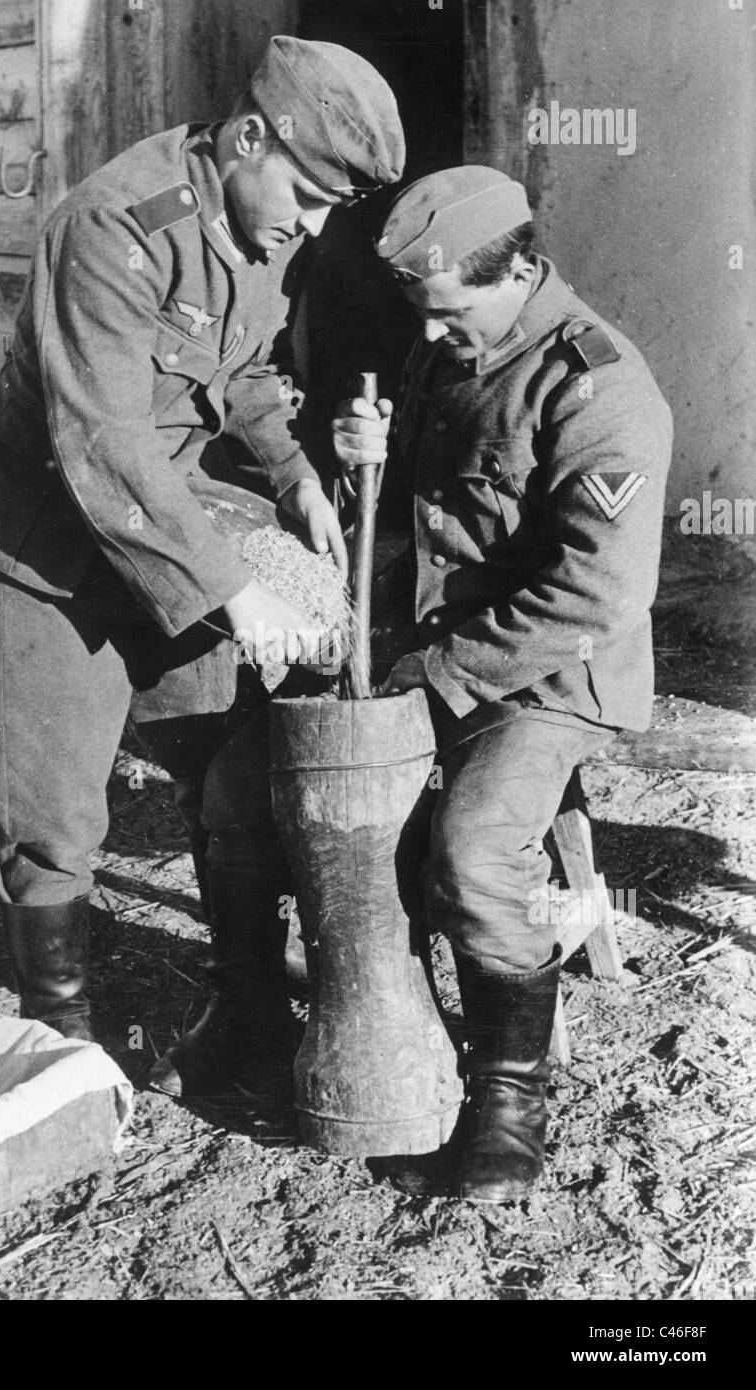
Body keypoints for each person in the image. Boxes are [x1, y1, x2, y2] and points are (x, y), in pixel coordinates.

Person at [0, 36, 405, 1096]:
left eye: (335, 206)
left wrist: (292, 477)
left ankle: (244, 1006)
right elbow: (101, 436)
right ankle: (60, 1051)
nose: (316, 225)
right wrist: (234, 584)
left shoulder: (264, 218)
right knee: (51, 812)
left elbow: (239, 371)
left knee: (226, 766)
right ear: (248, 137)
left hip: (173, 527)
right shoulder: (109, 228)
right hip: (49, 545)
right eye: (310, 193)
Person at [332, 167, 672, 1202]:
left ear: (520, 269)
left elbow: (594, 597)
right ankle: (369, 1035)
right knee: (326, 801)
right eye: (419, 314)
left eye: (446, 312)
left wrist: (438, 675)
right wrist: (363, 470)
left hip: (551, 676)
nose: (428, 338)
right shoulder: (451, 347)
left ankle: (507, 1102)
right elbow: (428, 525)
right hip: (441, 642)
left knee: (475, 849)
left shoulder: (597, 386)